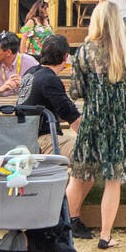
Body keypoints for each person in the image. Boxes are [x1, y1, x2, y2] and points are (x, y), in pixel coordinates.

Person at [66, 2, 126, 248]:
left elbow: (76, 91)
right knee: (114, 179)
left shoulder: (84, 51)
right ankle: (105, 235)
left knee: (79, 174)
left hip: (93, 117)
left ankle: (61, 230)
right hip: (122, 118)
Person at [17, 33, 82, 171]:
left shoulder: (31, 72)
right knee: (90, 152)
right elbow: (70, 115)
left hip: (24, 138)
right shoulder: (49, 79)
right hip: (43, 140)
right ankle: (73, 192)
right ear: (66, 57)